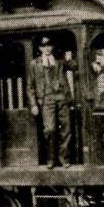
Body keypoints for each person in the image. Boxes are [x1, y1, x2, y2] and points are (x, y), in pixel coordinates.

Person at [27, 36, 73, 169]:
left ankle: (64, 159)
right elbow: (30, 87)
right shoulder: (34, 64)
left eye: (49, 46)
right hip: (46, 100)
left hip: (62, 98)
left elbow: (74, 65)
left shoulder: (59, 61)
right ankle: (50, 159)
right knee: (50, 130)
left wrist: (95, 63)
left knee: (66, 129)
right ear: (40, 48)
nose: (47, 48)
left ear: (52, 47)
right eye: (44, 46)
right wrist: (34, 104)